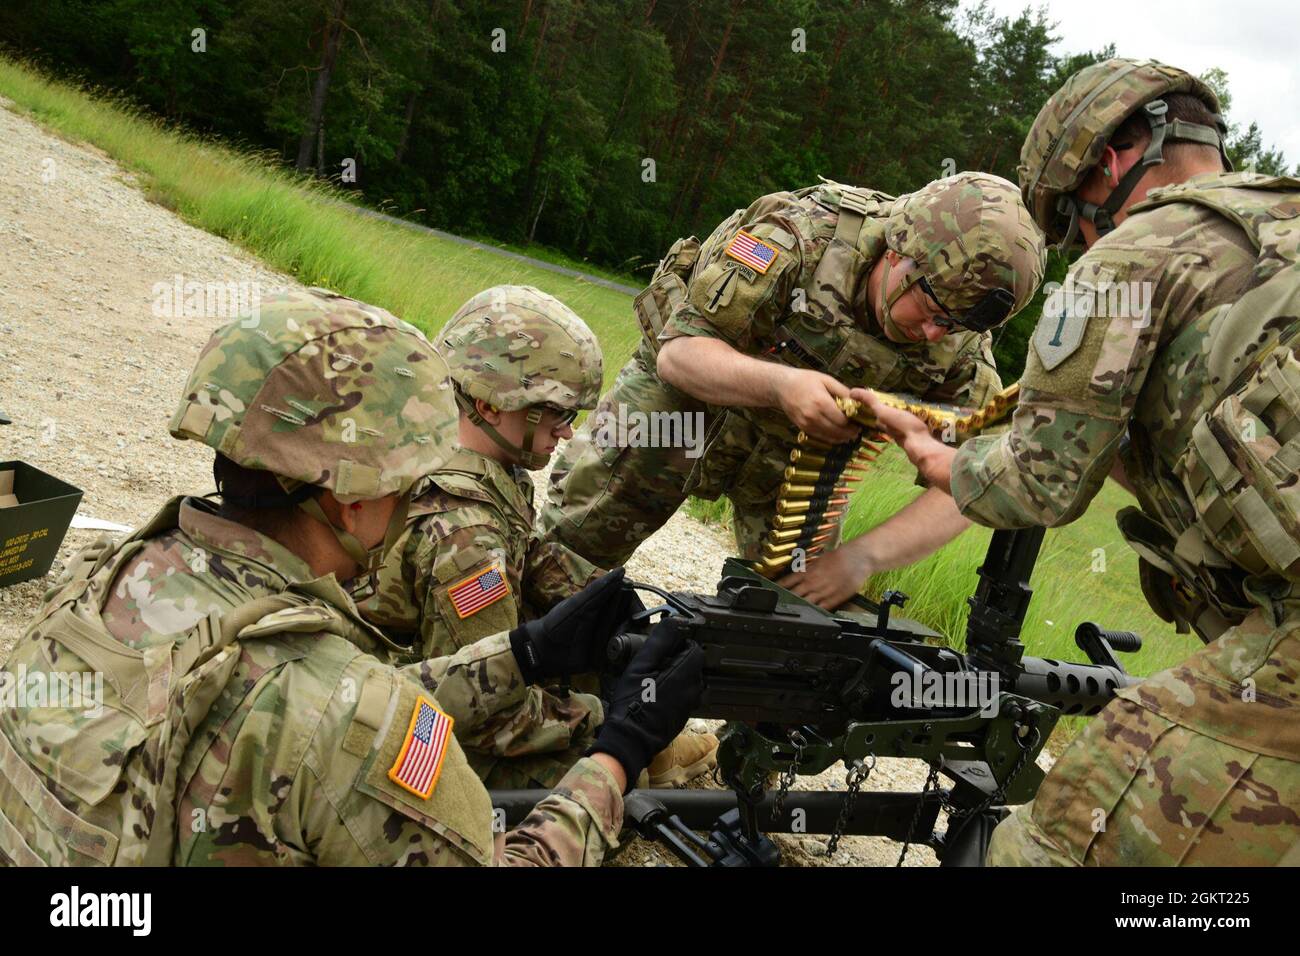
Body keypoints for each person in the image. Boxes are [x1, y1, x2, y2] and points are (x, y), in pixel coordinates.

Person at [0, 287, 702, 866]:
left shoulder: (100, 576)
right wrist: (615, 758)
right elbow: (341, 717)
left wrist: (523, 654)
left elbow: (316, 699)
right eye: (406, 480)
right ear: (356, 498)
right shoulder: (345, 714)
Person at [861, 58, 1300, 865]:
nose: (1083, 244)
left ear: (1101, 166)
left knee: (1063, 843)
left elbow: (1040, 480)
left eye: (1071, 222)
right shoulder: (1276, 239)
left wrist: (939, 457)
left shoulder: (1138, 255)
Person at [540, 171, 1045, 611]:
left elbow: (971, 482)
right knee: (567, 562)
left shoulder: (961, 348)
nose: (937, 334)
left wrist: (861, 559)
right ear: (899, 254)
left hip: (799, 456)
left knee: (804, 621)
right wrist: (783, 383)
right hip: (684, 406)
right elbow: (680, 353)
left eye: (954, 326)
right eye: (933, 312)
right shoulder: (801, 235)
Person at [354, 285, 717, 789]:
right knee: (604, 778)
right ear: (491, 402)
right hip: (401, 708)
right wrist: (611, 717)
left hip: (397, 666)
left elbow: (523, 554)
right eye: (557, 414)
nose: (568, 433)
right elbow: (489, 713)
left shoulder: (454, 452)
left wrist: (596, 596)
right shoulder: (468, 531)